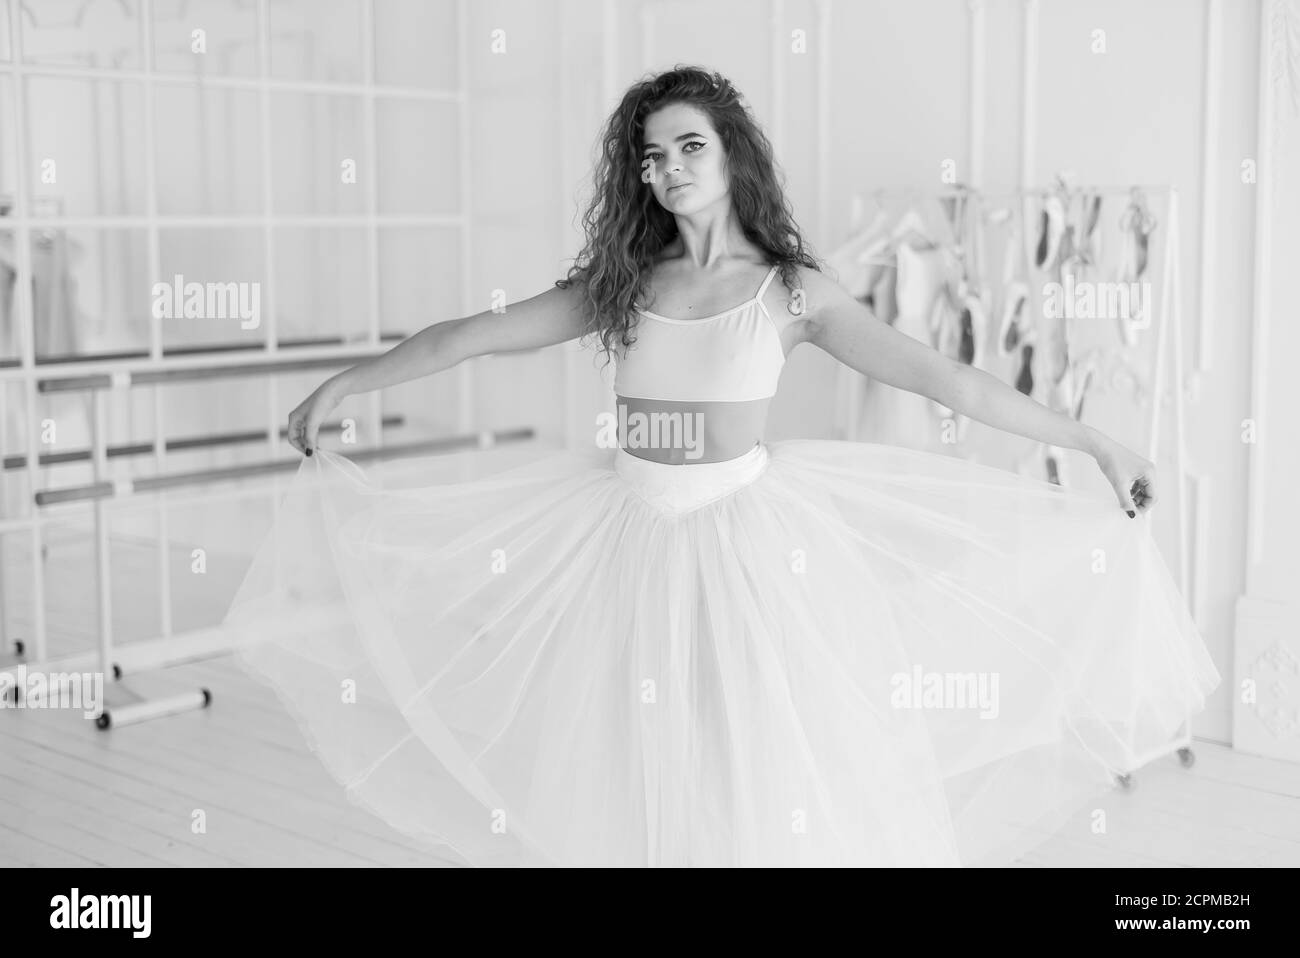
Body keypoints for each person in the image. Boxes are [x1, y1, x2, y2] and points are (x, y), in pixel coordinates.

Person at [224, 66, 1219, 867]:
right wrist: (346, 383)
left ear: (732, 154)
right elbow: (472, 337)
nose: (668, 169)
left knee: (749, 758)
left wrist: (1094, 440)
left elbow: (946, 381)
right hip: (624, 539)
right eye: (651, 157)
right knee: (632, 756)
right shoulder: (620, 285)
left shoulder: (792, 294)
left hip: (746, 551)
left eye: (689, 145)